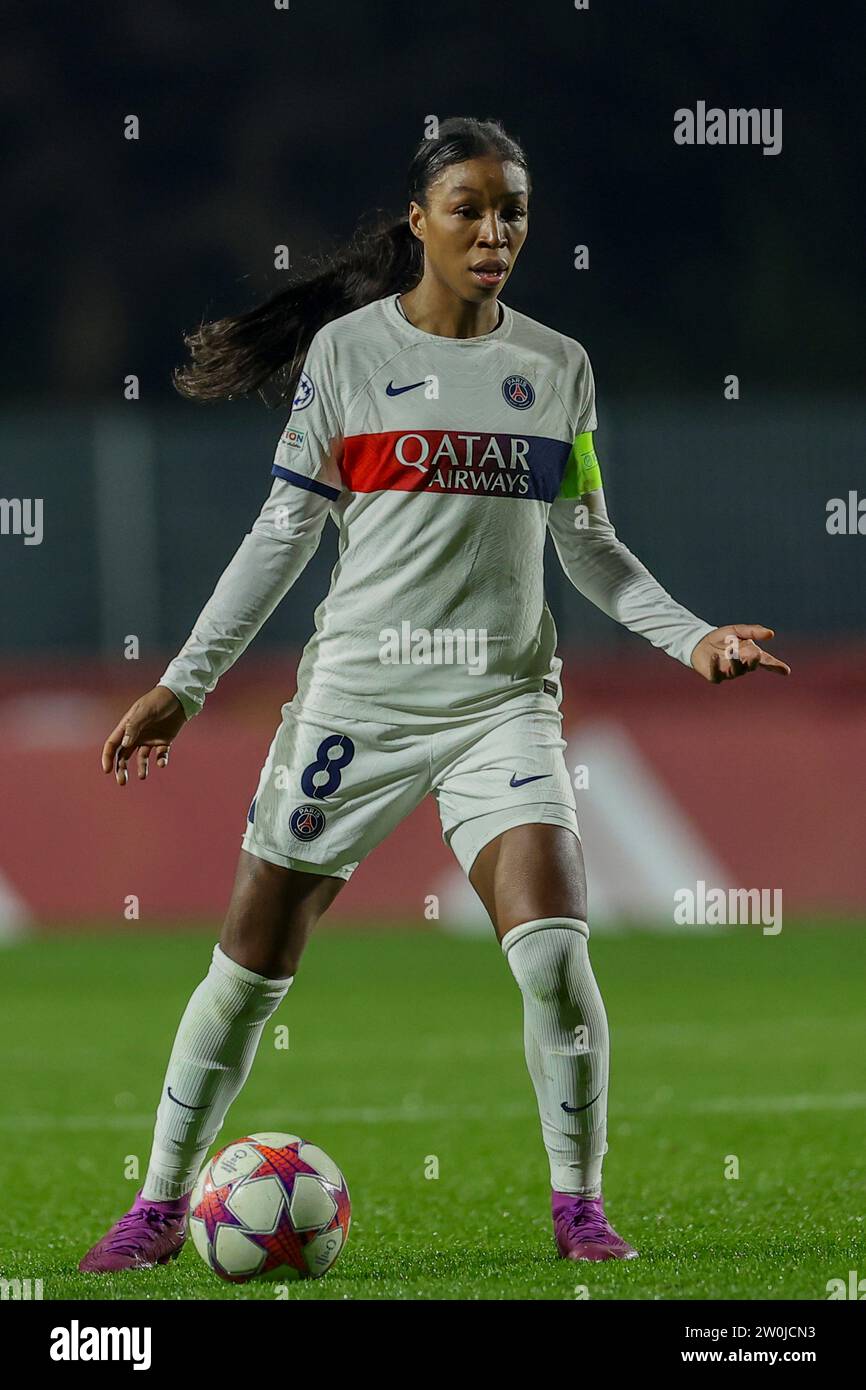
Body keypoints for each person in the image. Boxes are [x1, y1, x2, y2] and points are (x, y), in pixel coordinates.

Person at [80, 116, 790, 1273]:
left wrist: (689, 636)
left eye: (511, 209)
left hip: (498, 705)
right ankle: (160, 1203)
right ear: (419, 222)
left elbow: (590, 545)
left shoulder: (556, 367)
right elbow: (279, 537)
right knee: (250, 966)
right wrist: (181, 685)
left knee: (555, 952)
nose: (494, 230)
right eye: (468, 207)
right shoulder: (348, 358)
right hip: (353, 704)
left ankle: (578, 1208)